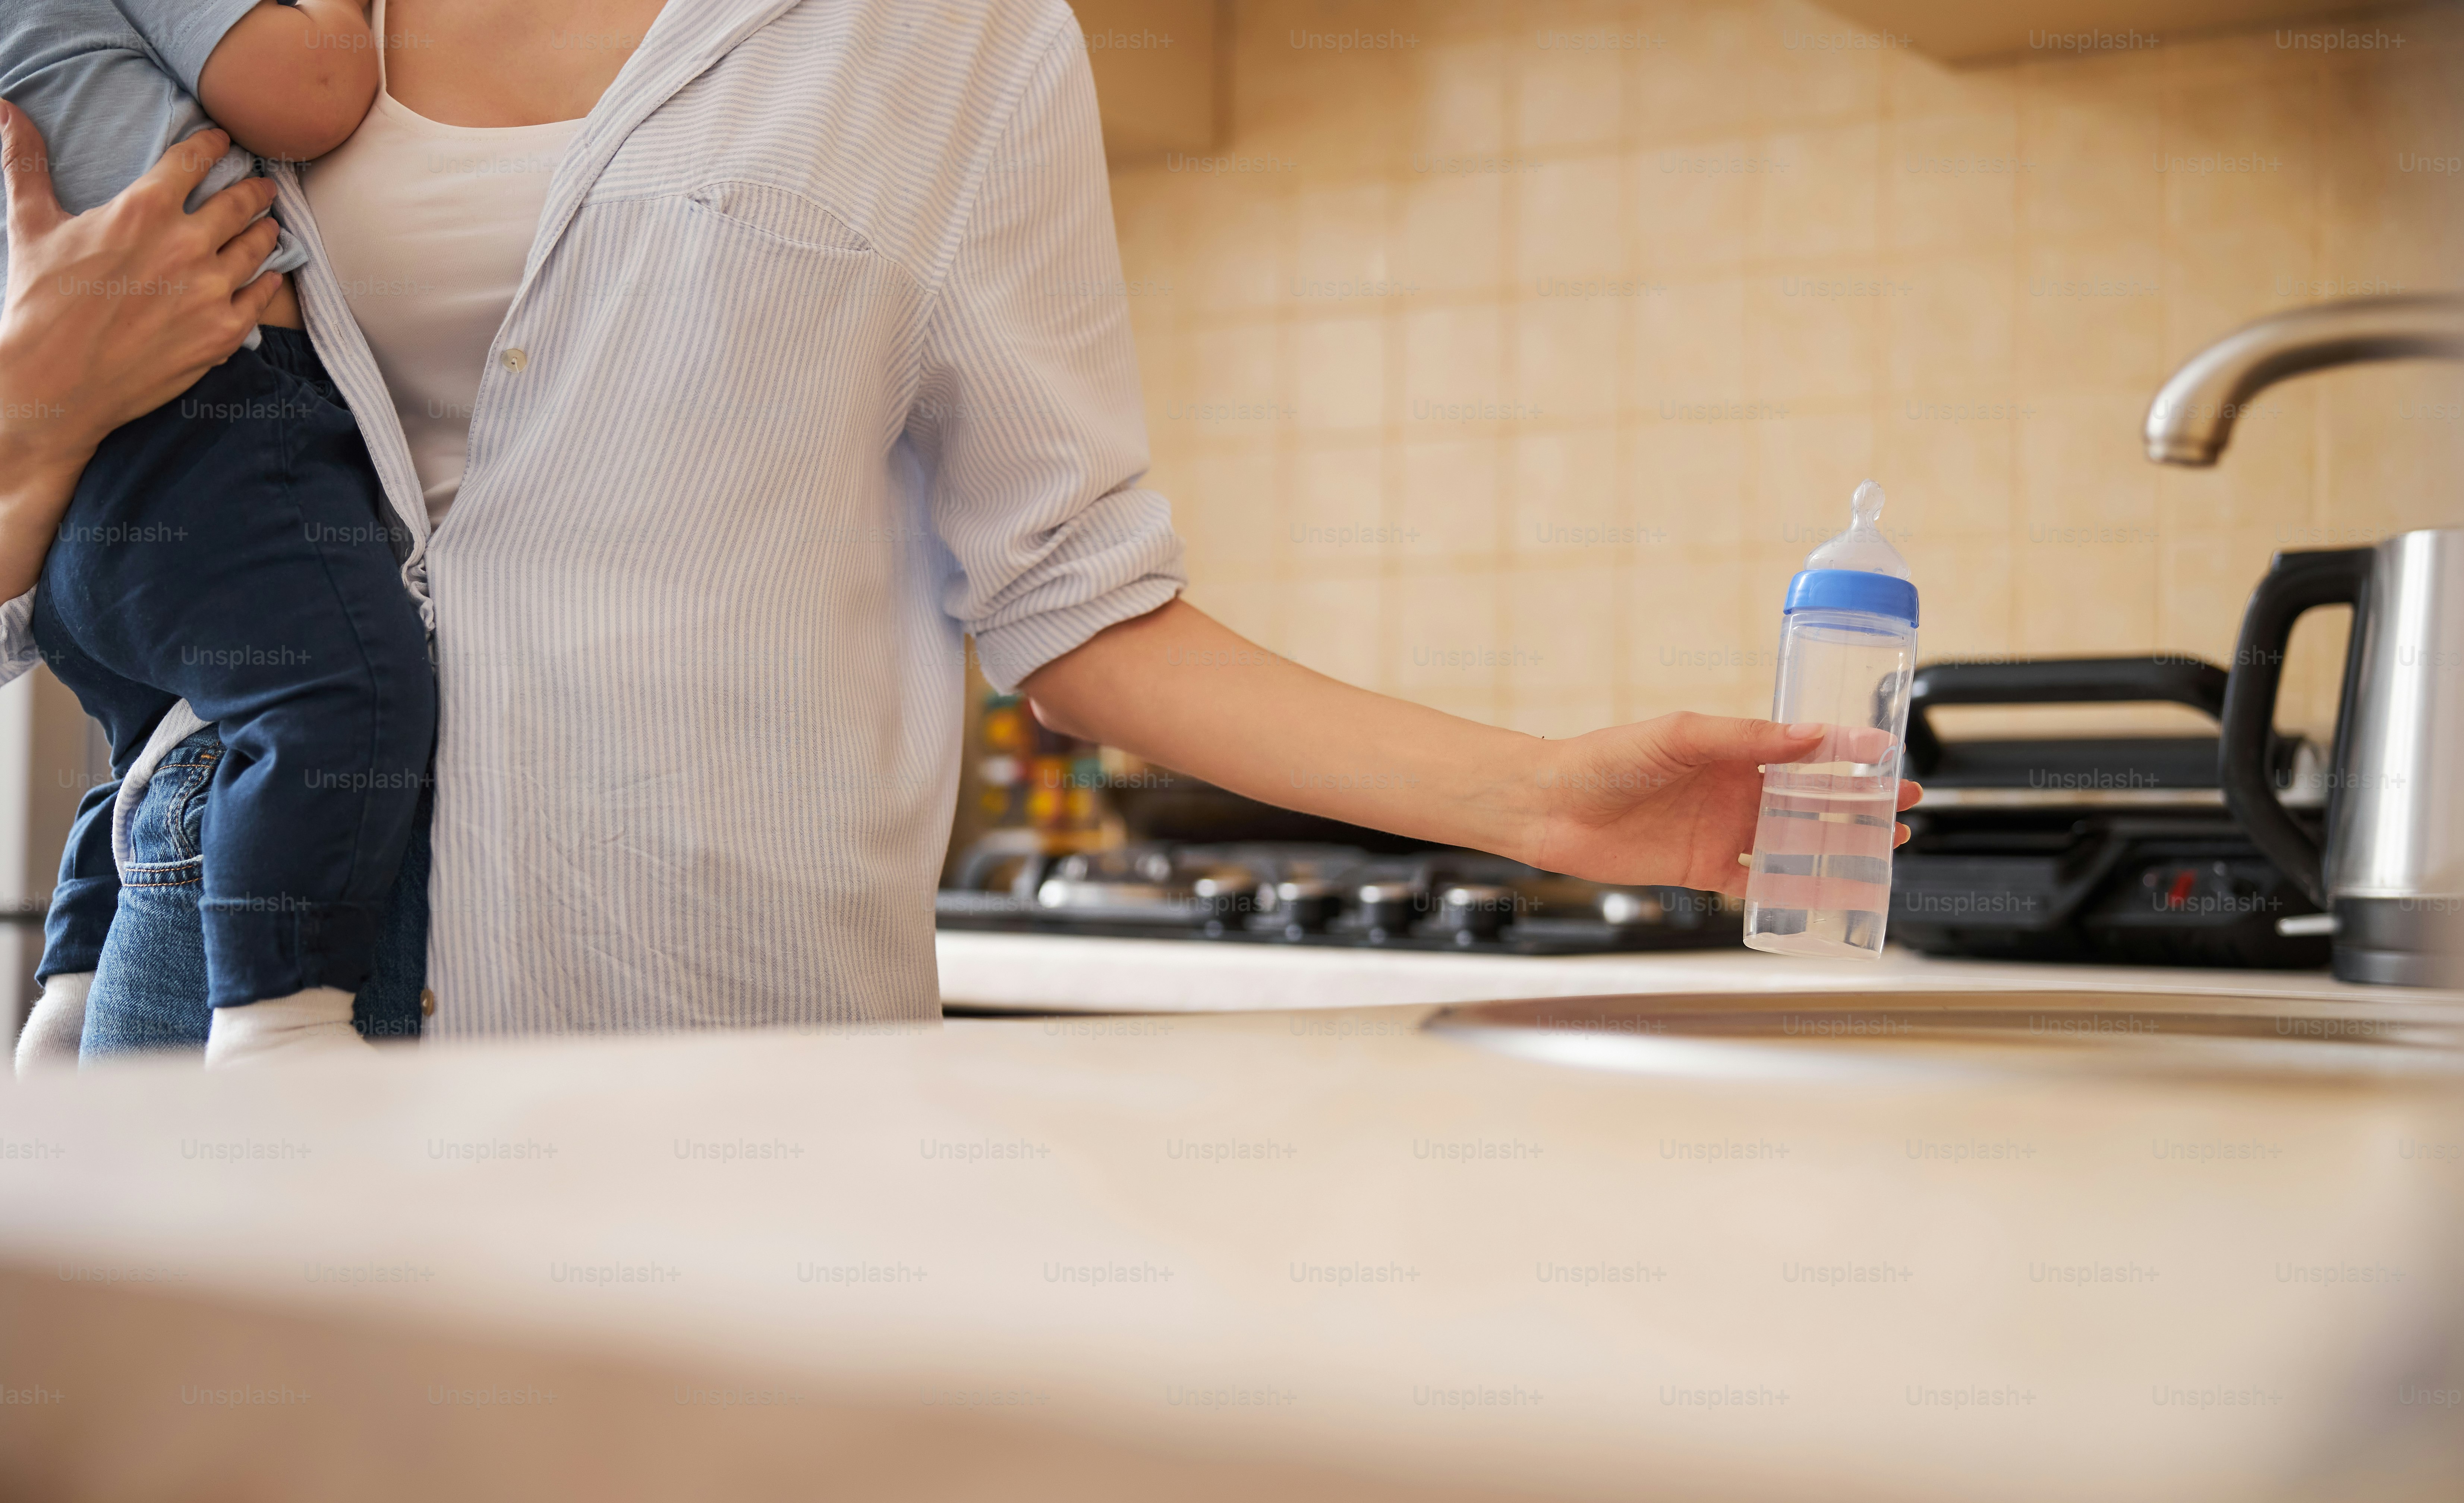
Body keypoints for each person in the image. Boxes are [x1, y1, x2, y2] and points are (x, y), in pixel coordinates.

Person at [0, 0, 1919, 1054]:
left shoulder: (945, 38)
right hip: (215, 999)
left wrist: (1547, 800)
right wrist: (29, 397)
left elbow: (1082, 606)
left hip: (720, 1053)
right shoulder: (189, 21)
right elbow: (61, 556)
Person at [3, 0, 432, 1069]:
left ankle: (77, 983)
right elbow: (312, 91)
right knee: (343, 693)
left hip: (99, 507)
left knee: (164, 733)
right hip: (212, 424)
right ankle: (277, 1022)